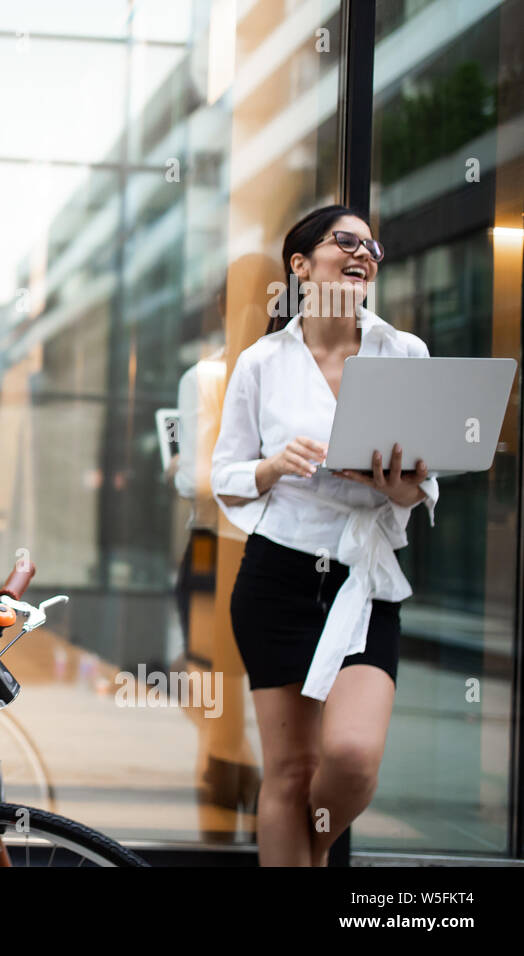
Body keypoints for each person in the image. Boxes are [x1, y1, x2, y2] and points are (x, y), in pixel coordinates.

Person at [211, 204, 438, 866]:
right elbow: (227, 476)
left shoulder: (405, 352)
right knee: (286, 774)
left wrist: (399, 486)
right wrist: (275, 465)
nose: (365, 252)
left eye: (373, 246)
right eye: (347, 241)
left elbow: (422, 488)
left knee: (351, 758)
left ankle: (304, 857)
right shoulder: (261, 362)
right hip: (277, 577)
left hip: (364, 579)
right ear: (301, 264)